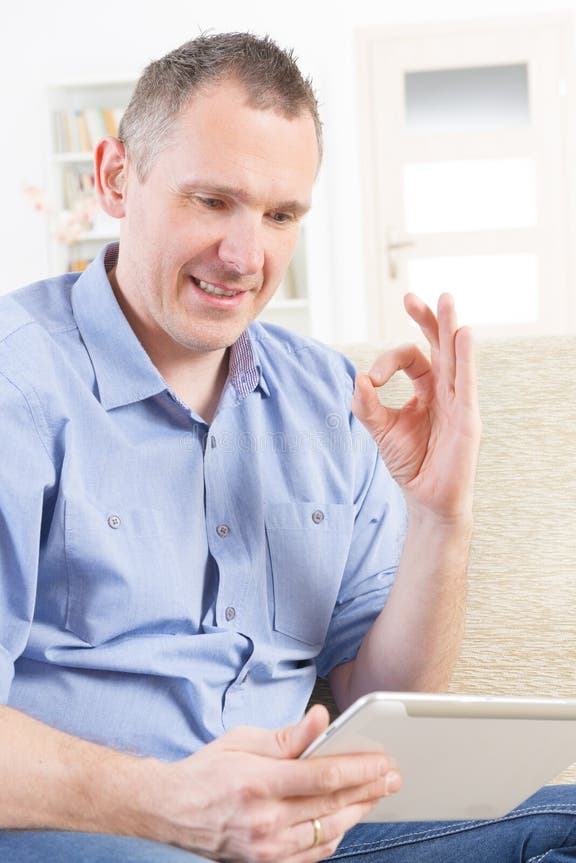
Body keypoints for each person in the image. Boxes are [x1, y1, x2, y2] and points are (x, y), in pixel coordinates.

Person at [0, 31, 574, 863]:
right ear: (117, 179)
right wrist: (172, 807)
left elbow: (384, 710)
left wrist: (440, 517)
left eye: (280, 216)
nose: (246, 257)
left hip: (308, 840)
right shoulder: (20, 383)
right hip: (104, 835)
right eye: (212, 201)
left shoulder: (328, 402)